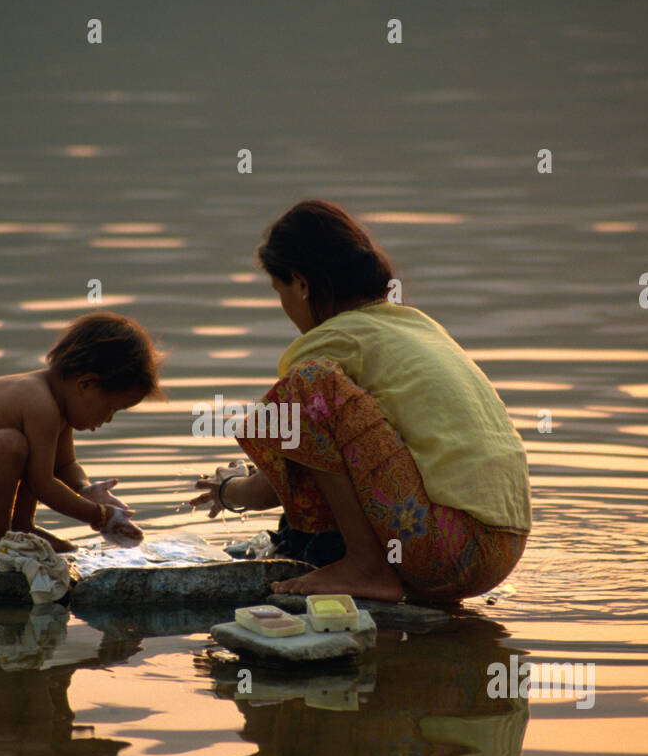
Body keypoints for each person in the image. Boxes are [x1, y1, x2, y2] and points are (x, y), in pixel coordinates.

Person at [190, 200, 530, 602]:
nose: (283, 305)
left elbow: (267, 492)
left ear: (301, 284)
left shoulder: (327, 343)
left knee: (308, 387)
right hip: (502, 549)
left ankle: (367, 567)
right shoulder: (416, 325)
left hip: (447, 550)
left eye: (278, 290)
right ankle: (369, 566)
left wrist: (230, 489)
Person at [0, 311, 161, 558]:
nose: (108, 419)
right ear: (86, 384)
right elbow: (42, 484)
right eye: (112, 408)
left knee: (31, 451)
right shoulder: (40, 403)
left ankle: (21, 526)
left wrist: (86, 490)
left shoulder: (57, 405)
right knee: (10, 444)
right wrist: (101, 516)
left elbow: (64, 465)